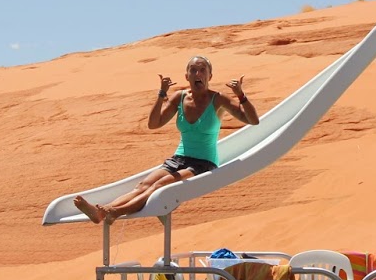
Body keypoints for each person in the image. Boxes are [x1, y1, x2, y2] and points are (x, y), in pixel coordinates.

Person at [73, 55, 259, 224]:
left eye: (202, 70)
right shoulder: (180, 97)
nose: (198, 73)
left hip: (203, 163)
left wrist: (241, 95)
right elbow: (154, 124)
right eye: (193, 70)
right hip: (179, 158)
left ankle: (113, 211)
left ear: (210, 76)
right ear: (186, 76)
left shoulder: (218, 99)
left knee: (161, 185)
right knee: (144, 185)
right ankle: (101, 212)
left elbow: (253, 120)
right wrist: (162, 94)